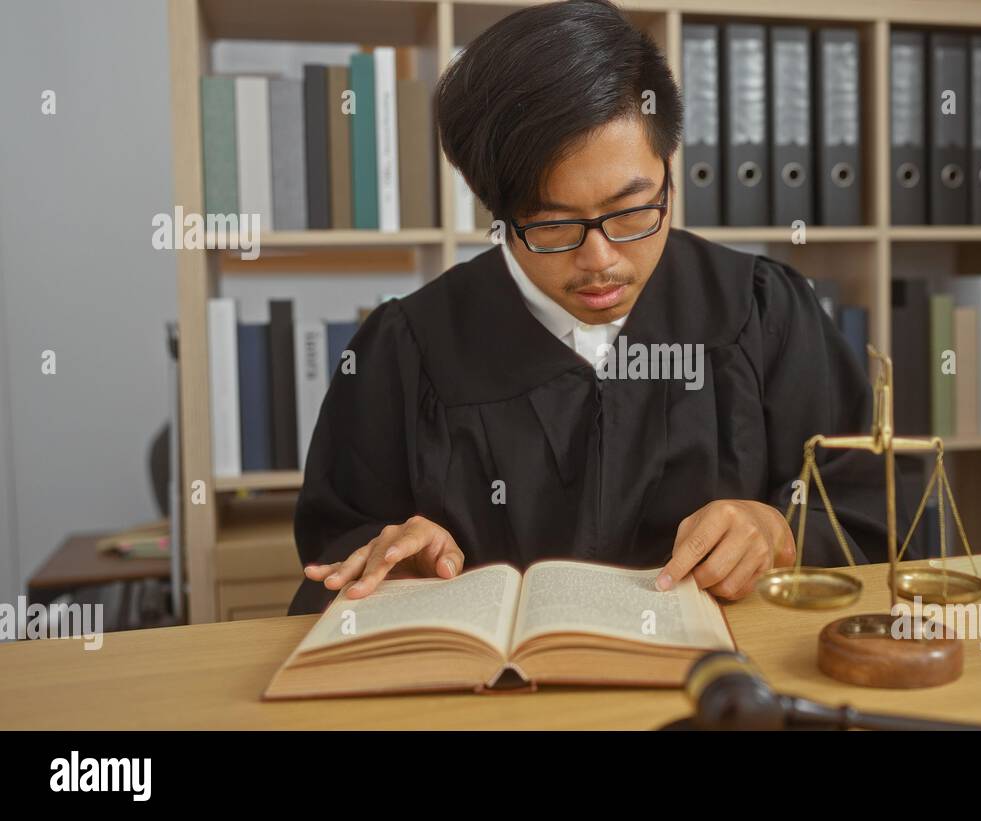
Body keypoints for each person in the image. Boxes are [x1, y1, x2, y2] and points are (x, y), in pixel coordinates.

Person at [289, 0, 887, 616]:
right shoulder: (406, 349)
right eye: (553, 227)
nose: (601, 260)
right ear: (496, 212)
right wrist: (394, 565)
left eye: (631, 213)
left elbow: (875, 510)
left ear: (668, 171)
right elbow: (337, 552)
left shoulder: (761, 312)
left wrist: (780, 532)